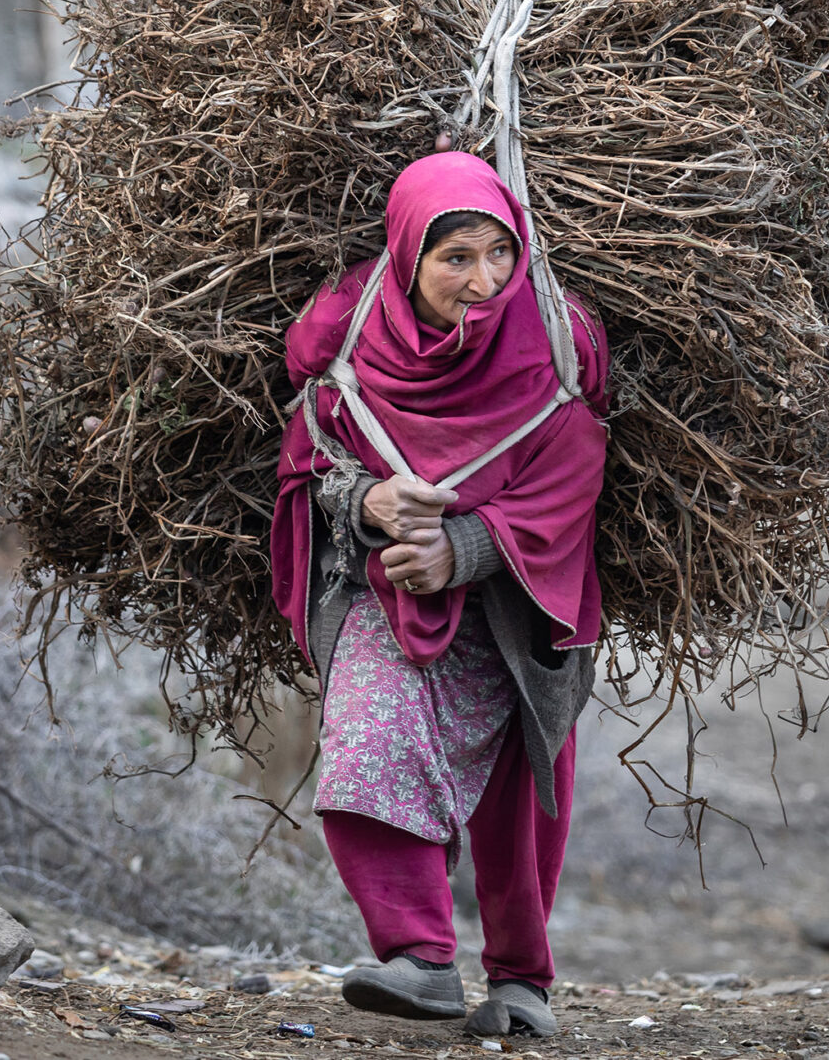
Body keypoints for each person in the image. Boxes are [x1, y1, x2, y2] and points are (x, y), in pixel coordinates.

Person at [272, 147, 611, 1038]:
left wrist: (464, 547)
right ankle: (420, 959)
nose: (485, 281)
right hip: (384, 593)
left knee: (515, 798)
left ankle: (521, 981)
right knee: (364, 750)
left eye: (500, 253)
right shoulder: (345, 335)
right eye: (456, 258)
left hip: (518, 604)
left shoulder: (558, 340)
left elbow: (573, 470)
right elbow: (309, 451)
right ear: (406, 254)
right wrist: (367, 501)